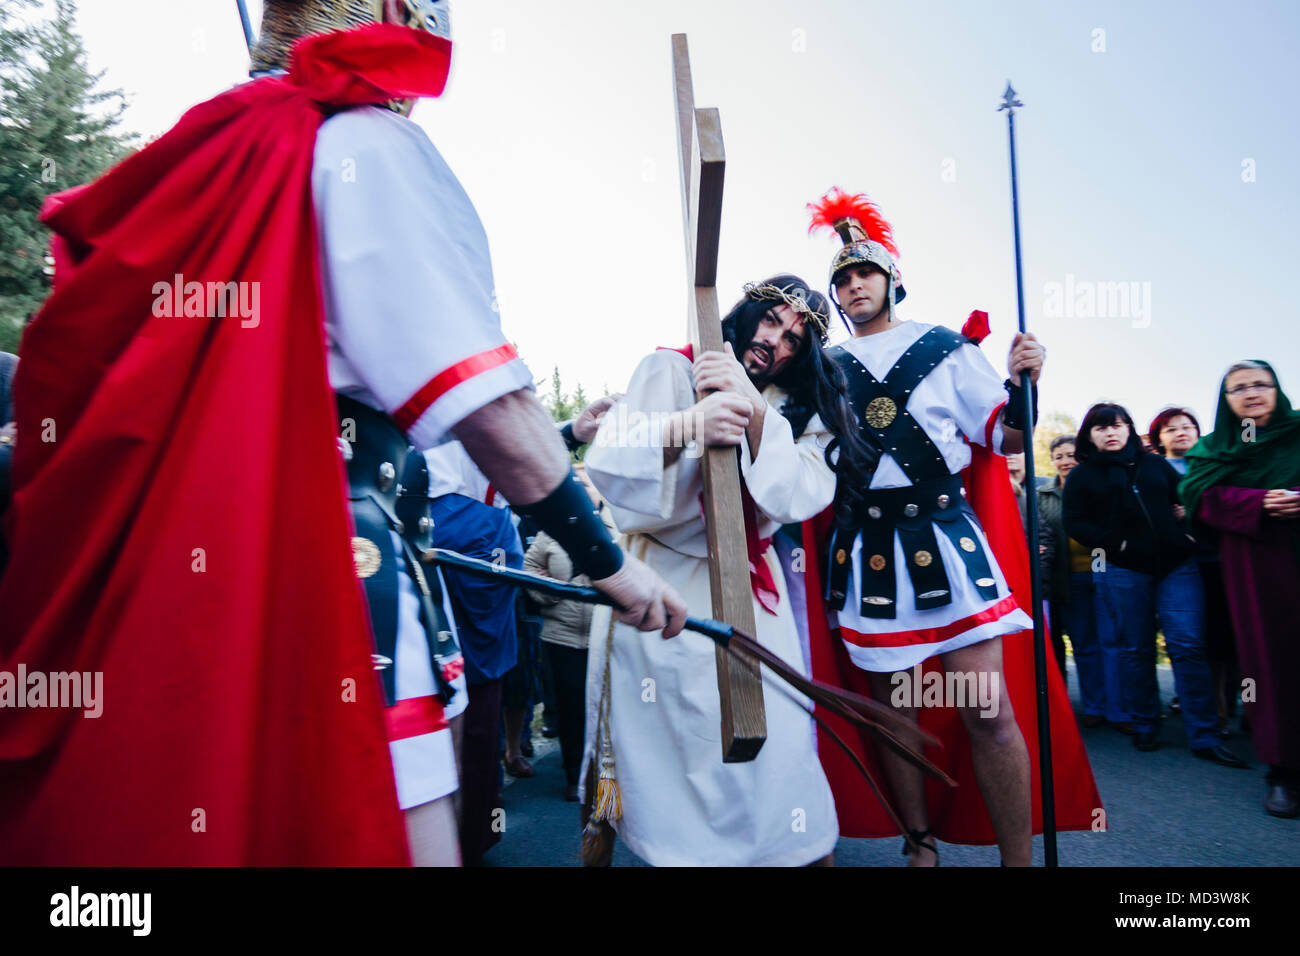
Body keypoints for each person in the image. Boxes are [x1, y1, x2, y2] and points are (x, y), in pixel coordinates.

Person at [0, 0, 683, 865]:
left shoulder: (205, 148)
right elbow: (490, 408)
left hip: (184, 581)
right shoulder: (367, 143)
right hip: (332, 576)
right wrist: (609, 564)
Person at [798, 187, 1099, 867]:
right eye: (841, 279)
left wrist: (1027, 382)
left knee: (988, 711)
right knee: (895, 716)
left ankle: (1017, 861)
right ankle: (919, 844)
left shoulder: (944, 348)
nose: (852, 285)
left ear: (893, 279)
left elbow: (1007, 436)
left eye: (864, 272)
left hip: (946, 544)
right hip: (866, 557)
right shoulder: (823, 370)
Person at [581, 275, 864, 866]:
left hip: (753, 599)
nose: (777, 342)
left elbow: (800, 495)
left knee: (778, 753)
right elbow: (607, 460)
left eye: (795, 338)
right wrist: (688, 425)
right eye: (772, 320)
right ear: (748, 311)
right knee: (682, 760)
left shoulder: (800, 409)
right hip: (663, 592)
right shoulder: (670, 369)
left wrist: (754, 413)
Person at [1062, 402, 1246, 768]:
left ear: (1129, 429)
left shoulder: (1154, 463)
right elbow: (1074, 523)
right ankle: (1145, 723)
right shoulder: (1083, 476)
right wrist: (1116, 543)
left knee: (1188, 645)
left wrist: (1188, 531)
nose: (1110, 433)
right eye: (1101, 428)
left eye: (1117, 425)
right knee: (1136, 648)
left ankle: (1205, 734)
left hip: (1178, 565)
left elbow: (1190, 498)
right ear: (1090, 435)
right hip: (1123, 569)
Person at [1181, 361, 1300, 818]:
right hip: (1257, 568)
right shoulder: (1216, 448)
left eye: (1260, 384)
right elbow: (1197, 497)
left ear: (1277, 389)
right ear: (1225, 400)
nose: (1251, 393)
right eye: (1238, 388)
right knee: (1269, 666)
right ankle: (1283, 773)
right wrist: (1257, 501)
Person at [525, 463, 616, 801]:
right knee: (570, 709)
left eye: (588, 483)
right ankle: (575, 775)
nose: (582, 489)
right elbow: (530, 567)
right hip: (561, 638)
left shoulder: (618, 528)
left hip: (605, 637)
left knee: (608, 708)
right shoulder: (553, 529)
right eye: (574, 484)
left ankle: (609, 777)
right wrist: (551, 591)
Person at [1150, 406, 1238, 737]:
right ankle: (1208, 707)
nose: (1181, 433)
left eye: (1187, 427)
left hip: (1221, 559)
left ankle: (1235, 703)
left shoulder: (1212, 465)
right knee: (1190, 637)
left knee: (1226, 638)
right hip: (1180, 563)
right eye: (1171, 429)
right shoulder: (1154, 469)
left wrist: (1198, 509)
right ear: (1159, 438)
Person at [1034, 435, 1076, 685]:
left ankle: (1099, 705)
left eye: (1071, 455)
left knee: (1087, 641)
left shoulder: (1092, 490)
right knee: (1054, 640)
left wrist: (1098, 571)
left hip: (1087, 575)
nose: (1066, 461)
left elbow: (1099, 545)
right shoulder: (1042, 494)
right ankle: (1058, 693)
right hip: (1054, 576)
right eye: (1059, 456)